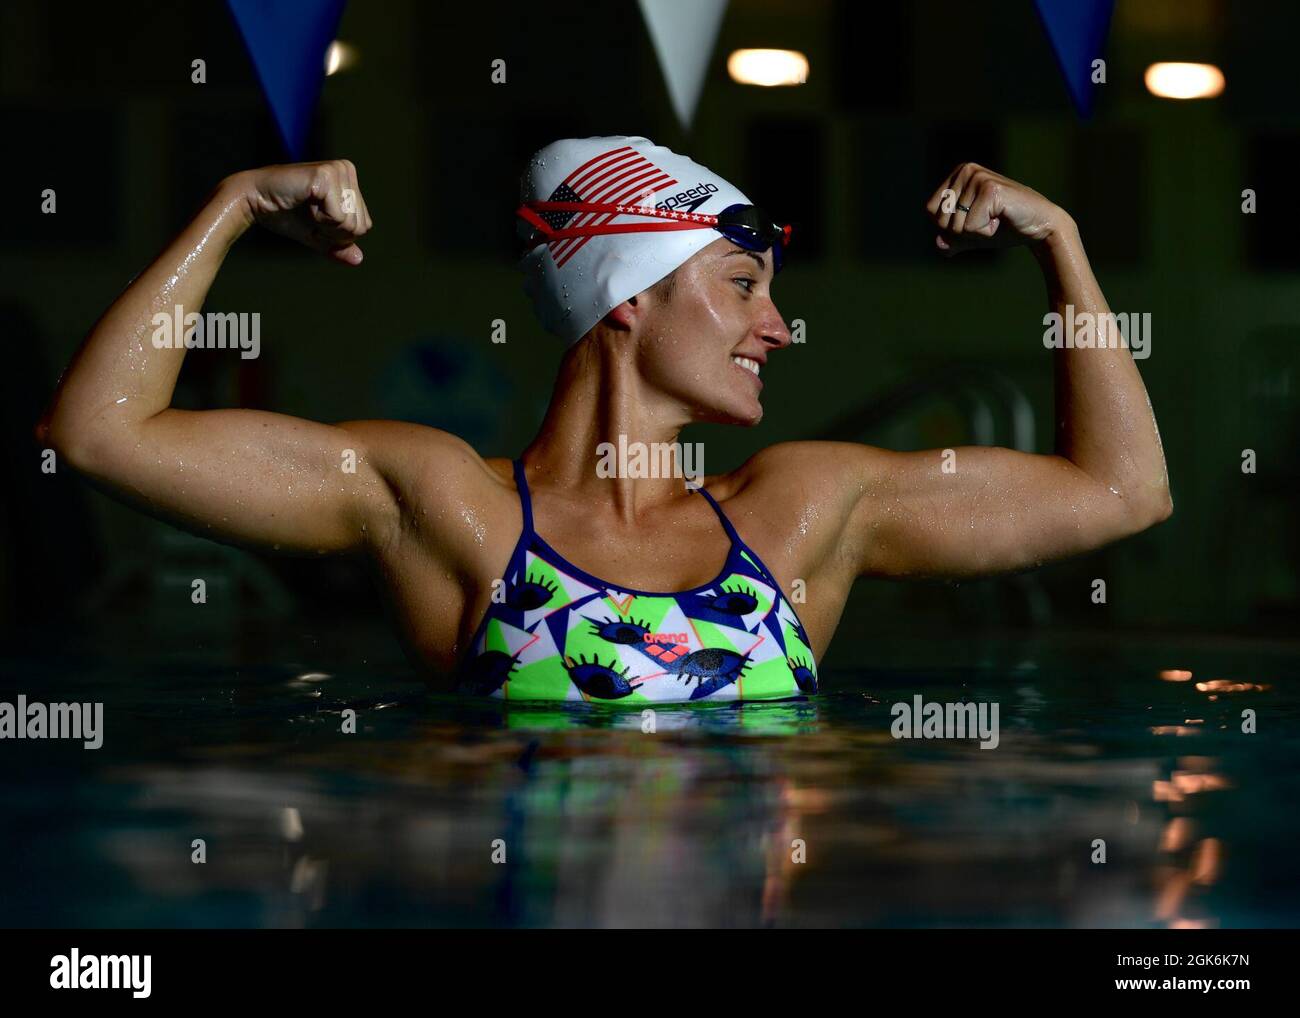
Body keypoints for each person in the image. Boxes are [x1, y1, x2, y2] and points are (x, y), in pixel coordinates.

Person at [37, 136, 1171, 703]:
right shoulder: (446, 505)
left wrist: (1058, 241)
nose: (779, 326)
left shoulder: (804, 509)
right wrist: (231, 208)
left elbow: (1126, 493)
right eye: (741, 285)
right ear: (624, 295)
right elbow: (96, 434)